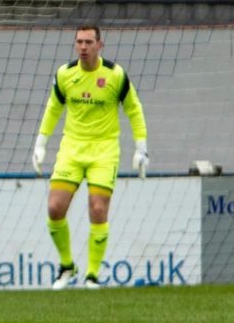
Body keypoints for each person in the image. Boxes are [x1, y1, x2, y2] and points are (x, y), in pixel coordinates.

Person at [31, 25, 148, 290]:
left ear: (99, 44)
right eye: (79, 42)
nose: (83, 47)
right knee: (54, 208)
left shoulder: (115, 75)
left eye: (88, 42)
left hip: (104, 150)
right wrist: (40, 144)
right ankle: (66, 267)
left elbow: (134, 109)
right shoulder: (65, 74)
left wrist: (141, 148)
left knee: (97, 209)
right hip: (71, 148)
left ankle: (92, 275)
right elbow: (53, 108)